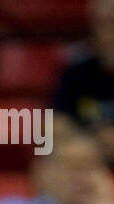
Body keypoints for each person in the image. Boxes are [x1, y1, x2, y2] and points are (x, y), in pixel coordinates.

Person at [51, 0, 114, 168]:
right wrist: (93, 141)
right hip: (91, 165)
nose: (110, 33)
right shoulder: (76, 72)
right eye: (103, 24)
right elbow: (56, 126)